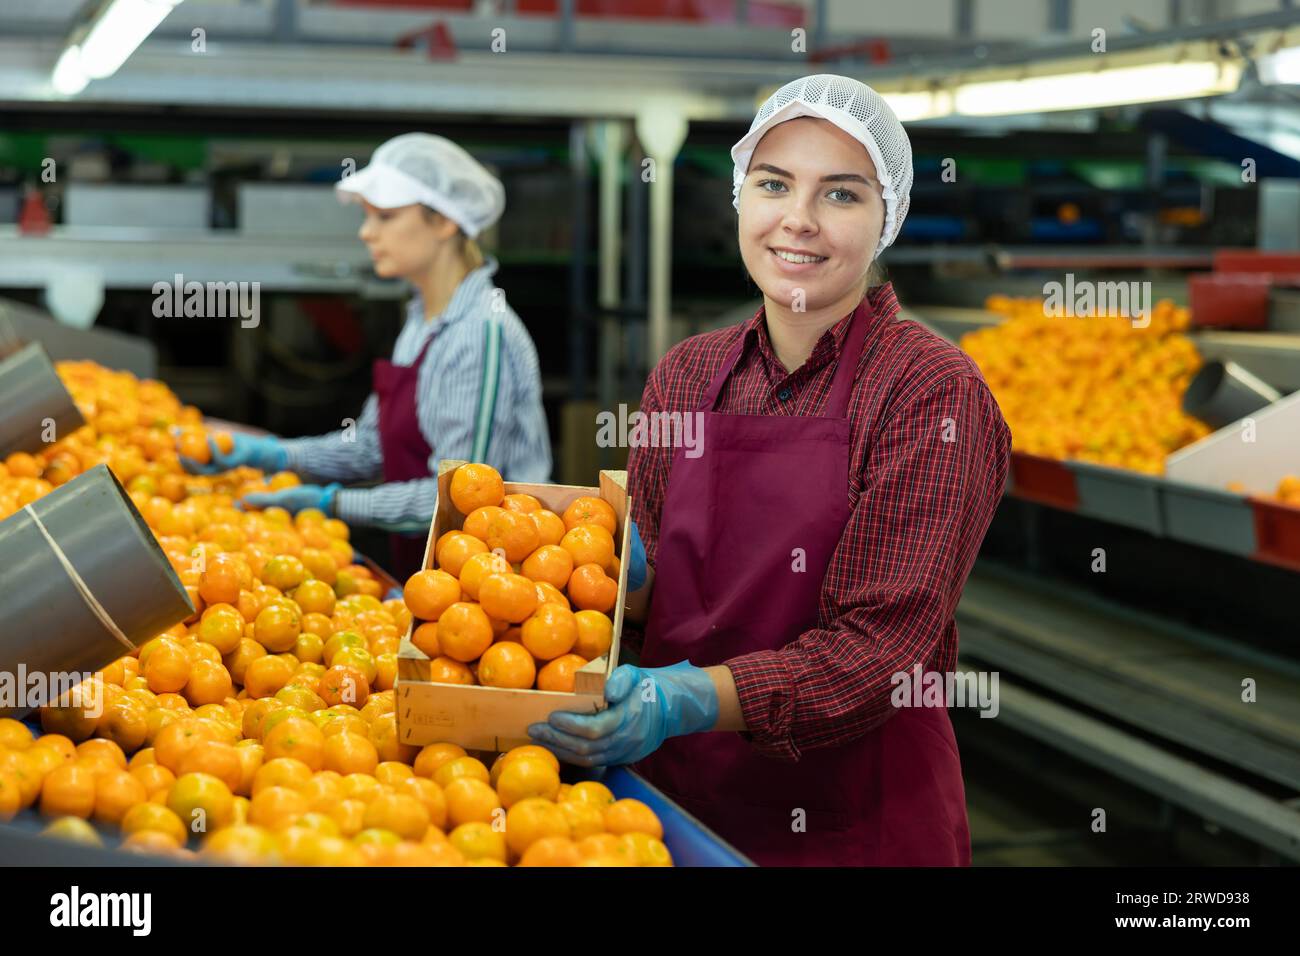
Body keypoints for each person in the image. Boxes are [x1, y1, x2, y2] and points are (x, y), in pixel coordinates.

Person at [529, 75, 1012, 866]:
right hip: (679, 804)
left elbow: (878, 652)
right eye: (774, 183)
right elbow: (642, 602)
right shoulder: (687, 375)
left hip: (853, 816)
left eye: (842, 195)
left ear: (887, 217)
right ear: (739, 196)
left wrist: (685, 697)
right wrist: (602, 573)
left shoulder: (930, 391)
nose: (798, 220)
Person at [184, 133, 551, 578]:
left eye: (385, 217)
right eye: (367, 216)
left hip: (488, 586)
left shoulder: (478, 330)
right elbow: (370, 446)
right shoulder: (421, 320)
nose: (366, 232)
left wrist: (330, 503)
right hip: (428, 573)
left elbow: (457, 499)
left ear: (445, 223)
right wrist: (275, 456)